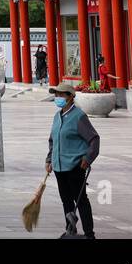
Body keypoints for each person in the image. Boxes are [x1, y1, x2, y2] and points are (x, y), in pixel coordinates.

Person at [45, 81, 100, 238]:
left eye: (61, 94)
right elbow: (52, 140)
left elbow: (94, 139)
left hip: (75, 165)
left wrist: (88, 158)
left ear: (70, 97)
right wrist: (49, 159)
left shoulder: (79, 116)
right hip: (59, 166)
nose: (57, 97)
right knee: (66, 200)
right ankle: (71, 230)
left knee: (81, 200)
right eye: (56, 94)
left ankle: (89, 233)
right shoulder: (57, 116)